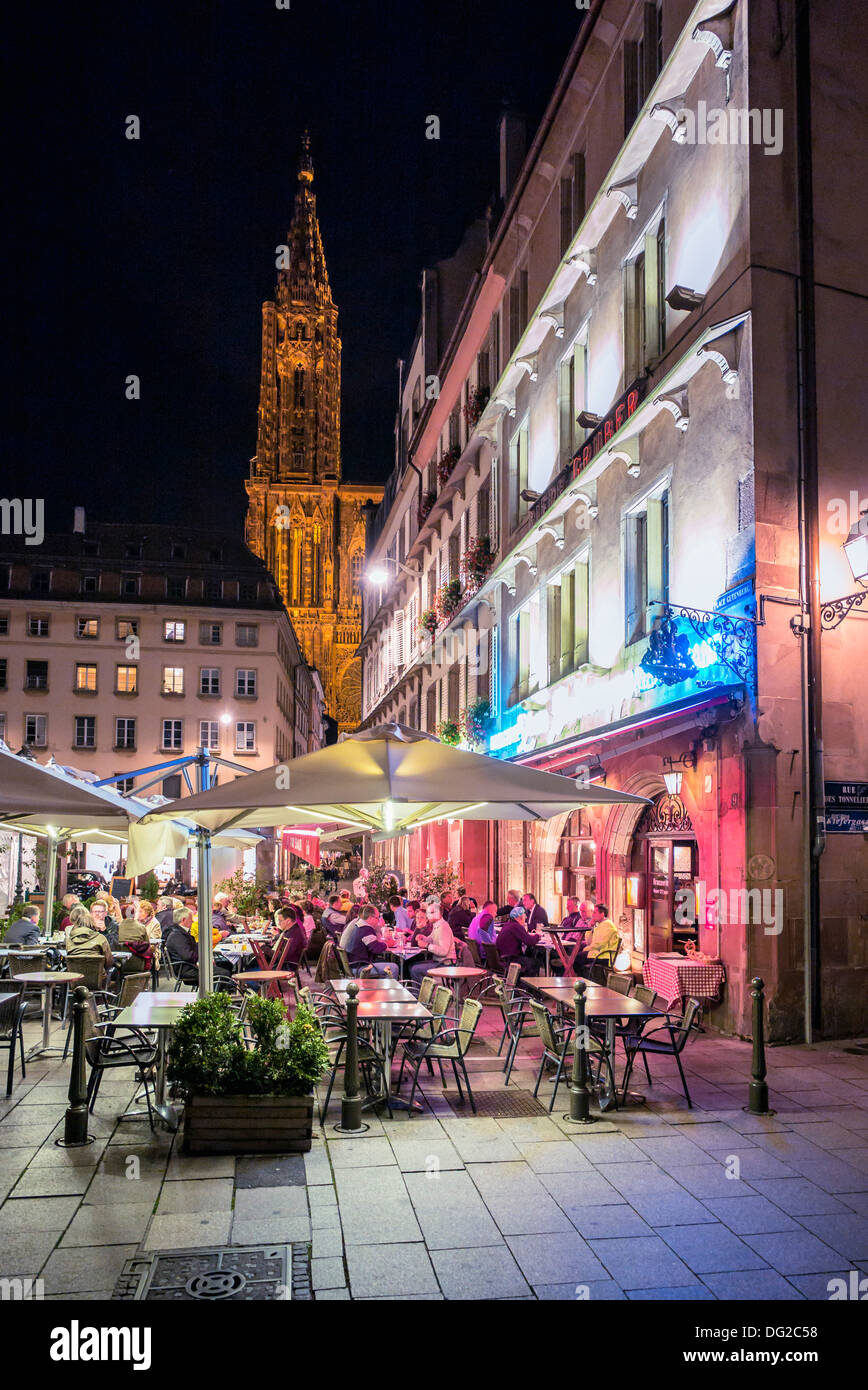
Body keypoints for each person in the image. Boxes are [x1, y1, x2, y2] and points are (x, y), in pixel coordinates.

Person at [340, 905, 395, 977]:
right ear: (371, 918)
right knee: (393, 968)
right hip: (360, 967)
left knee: (385, 962)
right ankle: (387, 988)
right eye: (377, 918)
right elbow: (375, 948)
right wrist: (386, 944)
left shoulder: (358, 925)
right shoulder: (365, 929)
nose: (378, 920)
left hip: (353, 964)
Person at [410, 901, 457, 984]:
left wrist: (427, 945)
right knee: (411, 965)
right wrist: (423, 938)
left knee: (415, 969)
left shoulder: (443, 927)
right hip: (439, 961)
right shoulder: (437, 925)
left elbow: (443, 951)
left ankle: (424, 994)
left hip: (445, 964)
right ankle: (421, 993)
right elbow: (431, 939)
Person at [66, 903, 114, 982]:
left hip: (75, 978)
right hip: (97, 979)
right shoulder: (100, 938)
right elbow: (109, 962)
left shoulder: (69, 940)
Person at [495, 904, 541, 976]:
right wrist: (538, 936)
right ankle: (526, 985)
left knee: (529, 956)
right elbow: (530, 941)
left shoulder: (507, 925)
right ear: (520, 917)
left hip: (504, 958)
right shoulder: (516, 926)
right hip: (512, 959)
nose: (525, 918)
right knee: (535, 962)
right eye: (524, 916)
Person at [118, 911, 154, 978]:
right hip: (139, 965)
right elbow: (147, 945)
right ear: (134, 914)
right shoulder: (141, 927)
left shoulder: (117, 928)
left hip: (120, 965)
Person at [584, 904, 620, 970]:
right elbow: (588, 942)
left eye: (595, 913)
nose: (592, 915)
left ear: (602, 914)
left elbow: (599, 944)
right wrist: (590, 928)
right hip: (596, 954)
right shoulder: (599, 926)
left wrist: (585, 949)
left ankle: (576, 979)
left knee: (575, 959)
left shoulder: (608, 926)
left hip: (604, 957)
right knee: (574, 959)